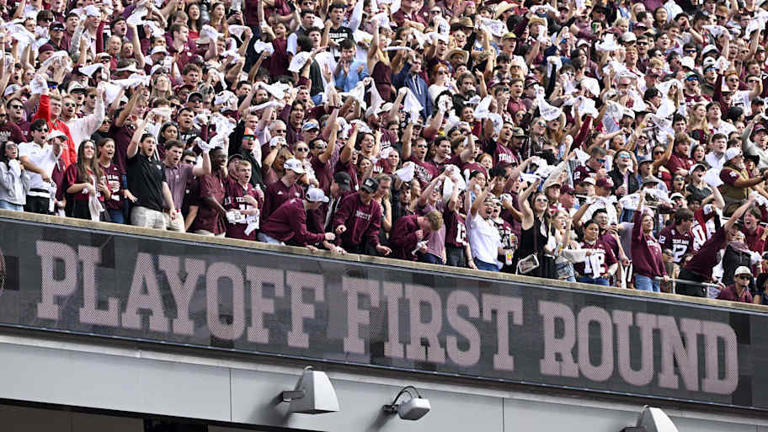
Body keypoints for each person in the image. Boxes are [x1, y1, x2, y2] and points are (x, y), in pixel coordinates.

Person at [679, 197, 755, 297]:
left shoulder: (725, 247)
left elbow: (706, 265)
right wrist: (749, 202)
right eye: (732, 228)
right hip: (688, 277)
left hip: (699, 280)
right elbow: (734, 217)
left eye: (737, 230)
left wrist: (714, 281)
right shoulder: (717, 238)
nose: (735, 232)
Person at [126, 119, 177, 229]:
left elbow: (164, 186)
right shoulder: (134, 159)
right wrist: (145, 122)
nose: (151, 145)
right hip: (141, 209)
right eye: (148, 142)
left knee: (159, 245)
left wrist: (172, 207)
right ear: (141, 144)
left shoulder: (159, 164)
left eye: (153, 143)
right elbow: (133, 142)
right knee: (141, 245)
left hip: (159, 211)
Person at [259, 187, 337, 250]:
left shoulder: (298, 203)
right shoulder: (298, 210)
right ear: (315, 202)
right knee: (276, 264)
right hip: (269, 236)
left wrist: (305, 245)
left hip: (274, 237)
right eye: (320, 202)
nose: (320, 205)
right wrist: (323, 236)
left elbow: (297, 231)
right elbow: (303, 234)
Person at [332, 177, 392, 256]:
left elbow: (373, 231)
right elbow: (340, 216)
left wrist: (377, 245)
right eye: (362, 189)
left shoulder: (376, 208)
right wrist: (340, 224)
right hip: (341, 242)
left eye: (367, 192)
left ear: (374, 193)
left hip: (358, 246)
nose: (363, 193)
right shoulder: (350, 200)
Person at [63, 139, 110, 220]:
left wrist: (105, 189)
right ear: (81, 150)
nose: (89, 150)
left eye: (92, 148)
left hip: (99, 206)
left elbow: (108, 196)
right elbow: (69, 188)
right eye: (86, 147)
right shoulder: (74, 168)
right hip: (82, 206)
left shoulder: (100, 171)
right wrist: (86, 185)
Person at [631, 190, 669, 292]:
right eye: (646, 220)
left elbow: (659, 260)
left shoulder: (656, 241)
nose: (649, 222)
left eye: (651, 220)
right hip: (643, 276)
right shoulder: (638, 239)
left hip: (656, 277)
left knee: (656, 306)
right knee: (646, 304)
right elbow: (637, 223)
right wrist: (640, 203)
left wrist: (664, 273)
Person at [0, 141, 28, 211]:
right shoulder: (2, 165)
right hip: (6, 202)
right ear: (5, 153)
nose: (13, 148)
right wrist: (13, 166)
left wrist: (23, 172)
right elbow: (7, 184)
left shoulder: (18, 165)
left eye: (14, 145)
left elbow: (27, 188)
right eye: (9, 147)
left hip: (20, 203)